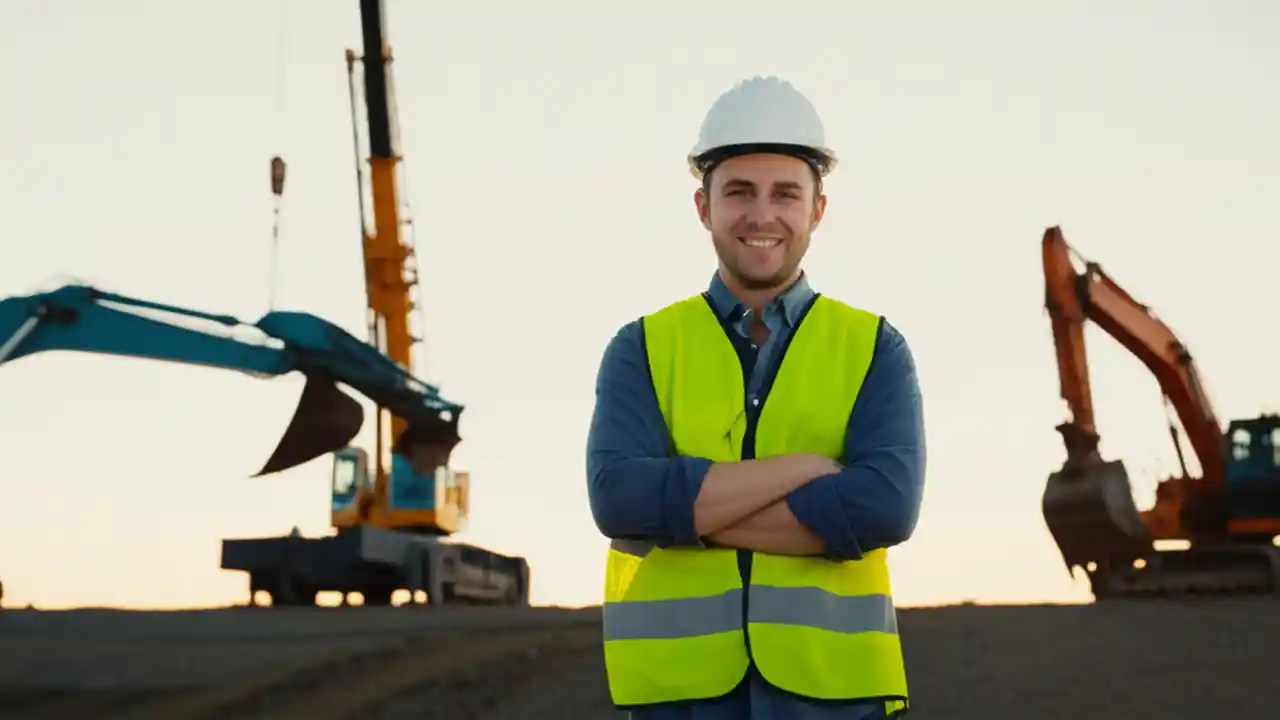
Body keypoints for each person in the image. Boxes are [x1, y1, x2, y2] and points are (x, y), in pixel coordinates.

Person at [585, 75, 927, 719]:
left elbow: (884, 507)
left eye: (785, 194)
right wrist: (803, 472)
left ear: (817, 209)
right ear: (703, 207)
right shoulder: (641, 347)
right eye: (738, 191)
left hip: (835, 699)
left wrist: (683, 517)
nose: (762, 215)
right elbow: (618, 499)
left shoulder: (875, 346)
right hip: (679, 701)